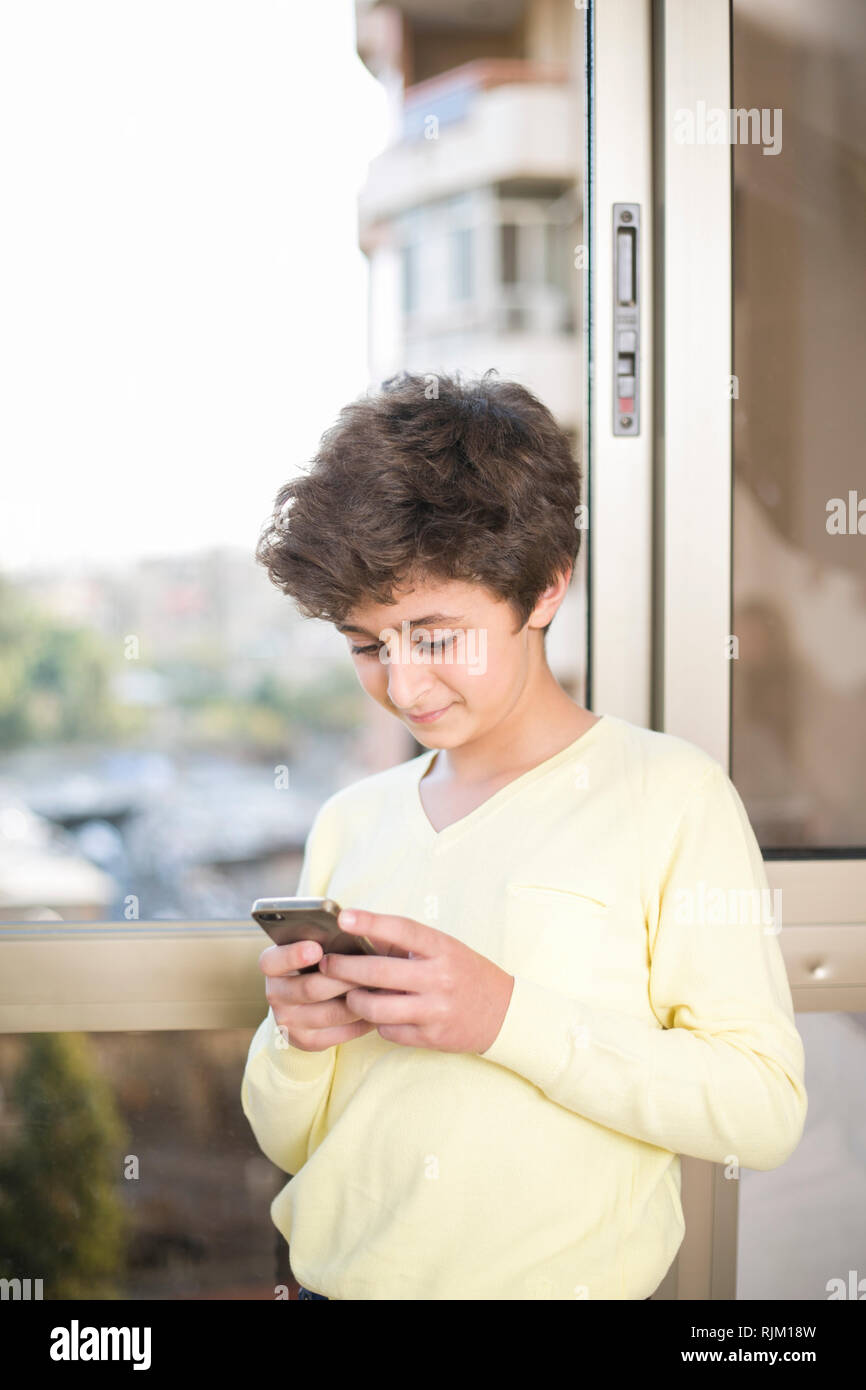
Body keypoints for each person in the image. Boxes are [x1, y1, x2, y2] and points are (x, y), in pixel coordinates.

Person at [241, 370, 807, 1301]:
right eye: (366, 644)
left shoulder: (670, 796)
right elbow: (293, 1139)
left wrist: (510, 1019)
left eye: (434, 636)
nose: (404, 686)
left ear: (546, 588)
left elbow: (762, 1109)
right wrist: (294, 1044)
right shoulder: (352, 820)